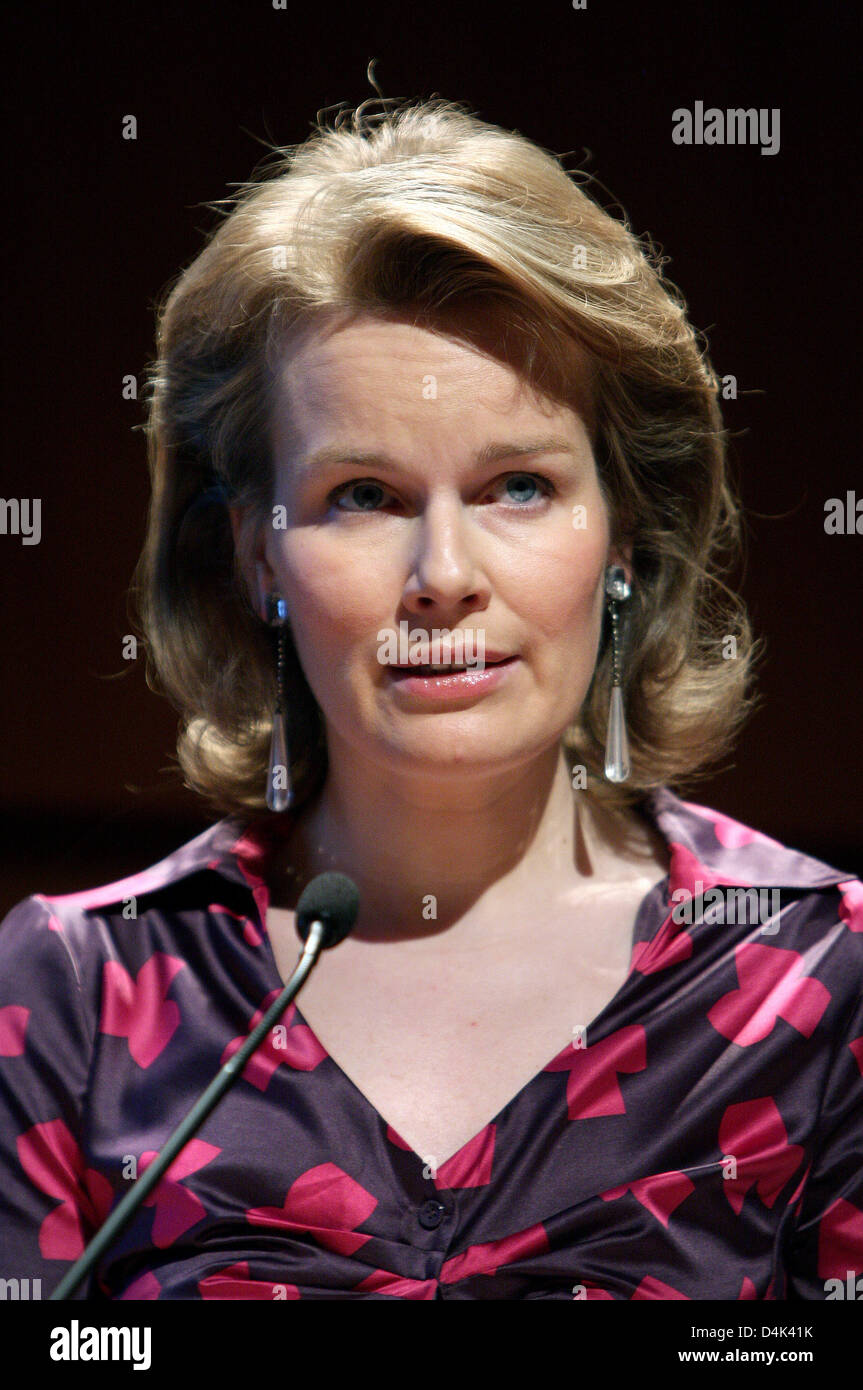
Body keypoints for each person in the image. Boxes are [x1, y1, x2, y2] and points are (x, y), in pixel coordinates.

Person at [1, 95, 860, 1302]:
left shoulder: (820, 980)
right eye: (363, 495)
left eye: (516, 485)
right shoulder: (72, 994)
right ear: (257, 555)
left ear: (622, 534)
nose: (443, 578)